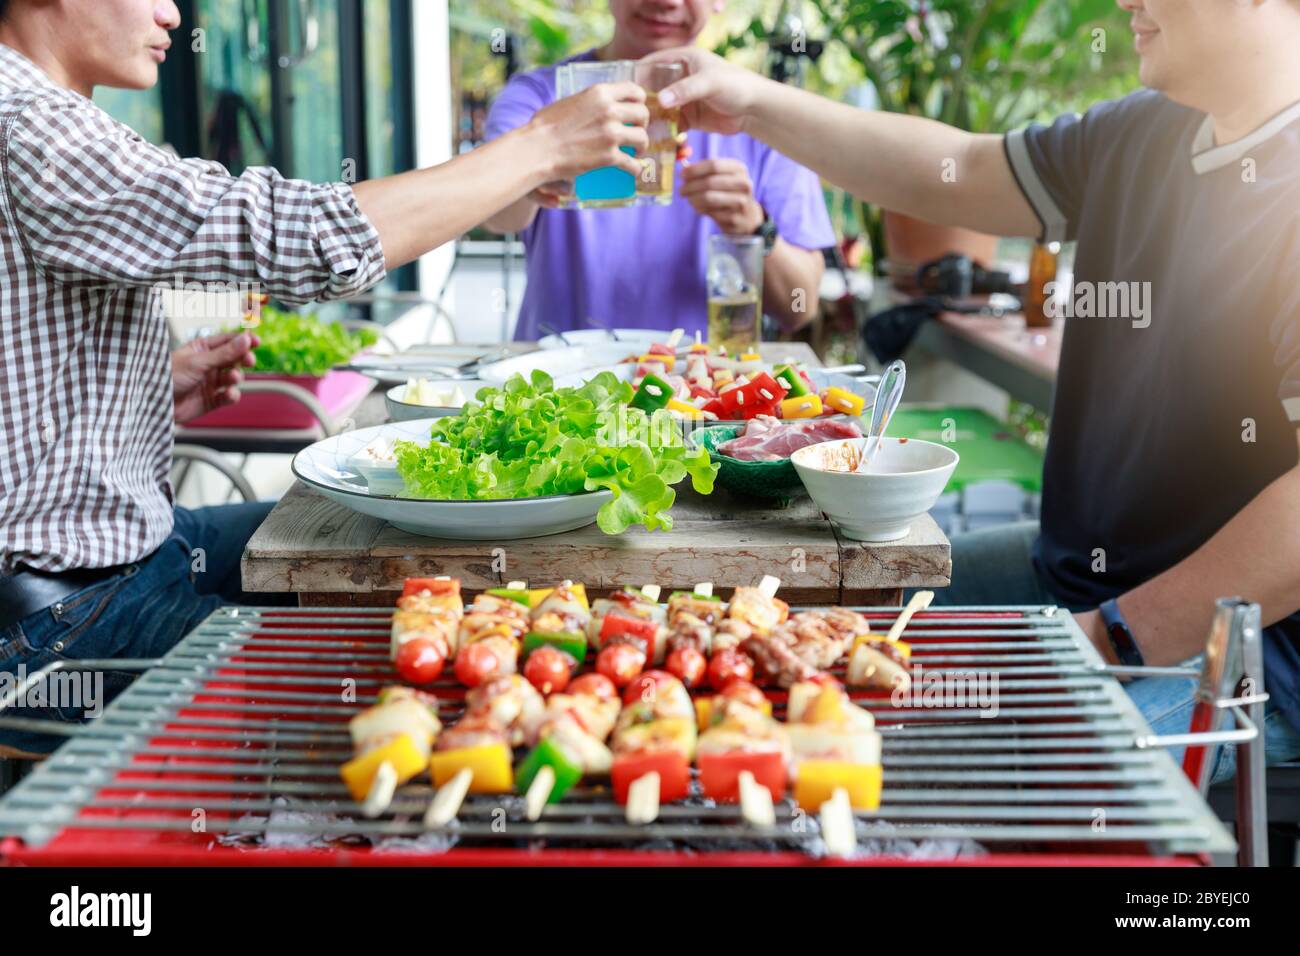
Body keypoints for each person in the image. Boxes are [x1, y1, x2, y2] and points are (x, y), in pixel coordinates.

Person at [644, 0, 1300, 779]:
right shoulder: (1145, 130)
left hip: (1242, 651)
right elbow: (956, 167)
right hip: (1071, 575)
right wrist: (750, 99)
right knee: (801, 633)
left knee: (916, 760)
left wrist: (1113, 636)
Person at [0, 0, 647, 752]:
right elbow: (297, 240)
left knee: (369, 544)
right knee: (391, 706)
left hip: (135, 550)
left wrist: (149, 387)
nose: (172, 11)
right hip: (60, 624)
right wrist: (540, 144)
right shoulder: (31, 125)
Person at [481, 0, 835, 341]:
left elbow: (798, 306)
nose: (666, 1)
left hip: (703, 390)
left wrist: (754, 228)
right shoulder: (540, 96)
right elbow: (500, 216)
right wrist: (546, 150)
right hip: (559, 384)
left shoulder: (759, 113)